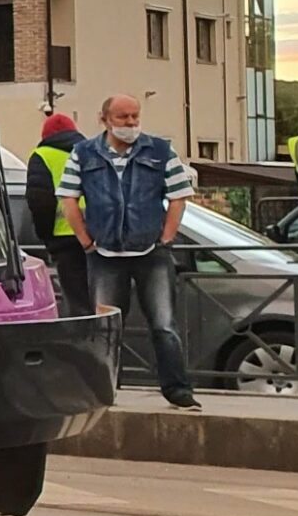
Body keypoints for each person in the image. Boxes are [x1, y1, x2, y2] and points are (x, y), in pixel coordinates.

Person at [59, 93, 199, 411]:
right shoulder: (84, 153)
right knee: (107, 328)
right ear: (105, 119)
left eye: (135, 116)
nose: (131, 123)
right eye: (123, 117)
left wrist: (166, 237)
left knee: (164, 324)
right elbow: (68, 198)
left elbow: (179, 195)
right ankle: (106, 390)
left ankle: (178, 391)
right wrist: (86, 241)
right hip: (105, 255)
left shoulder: (160, 150)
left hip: (152, 253)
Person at [26, 110, 93, 318]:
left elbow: (40, 202)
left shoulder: (42, 156)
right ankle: (106, 345)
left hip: (65, 242)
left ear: (45, 136)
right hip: (97, 238)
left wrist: (46, 236)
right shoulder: (91, 153)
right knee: (101, 303)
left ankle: (84, 347)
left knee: (78, 306)